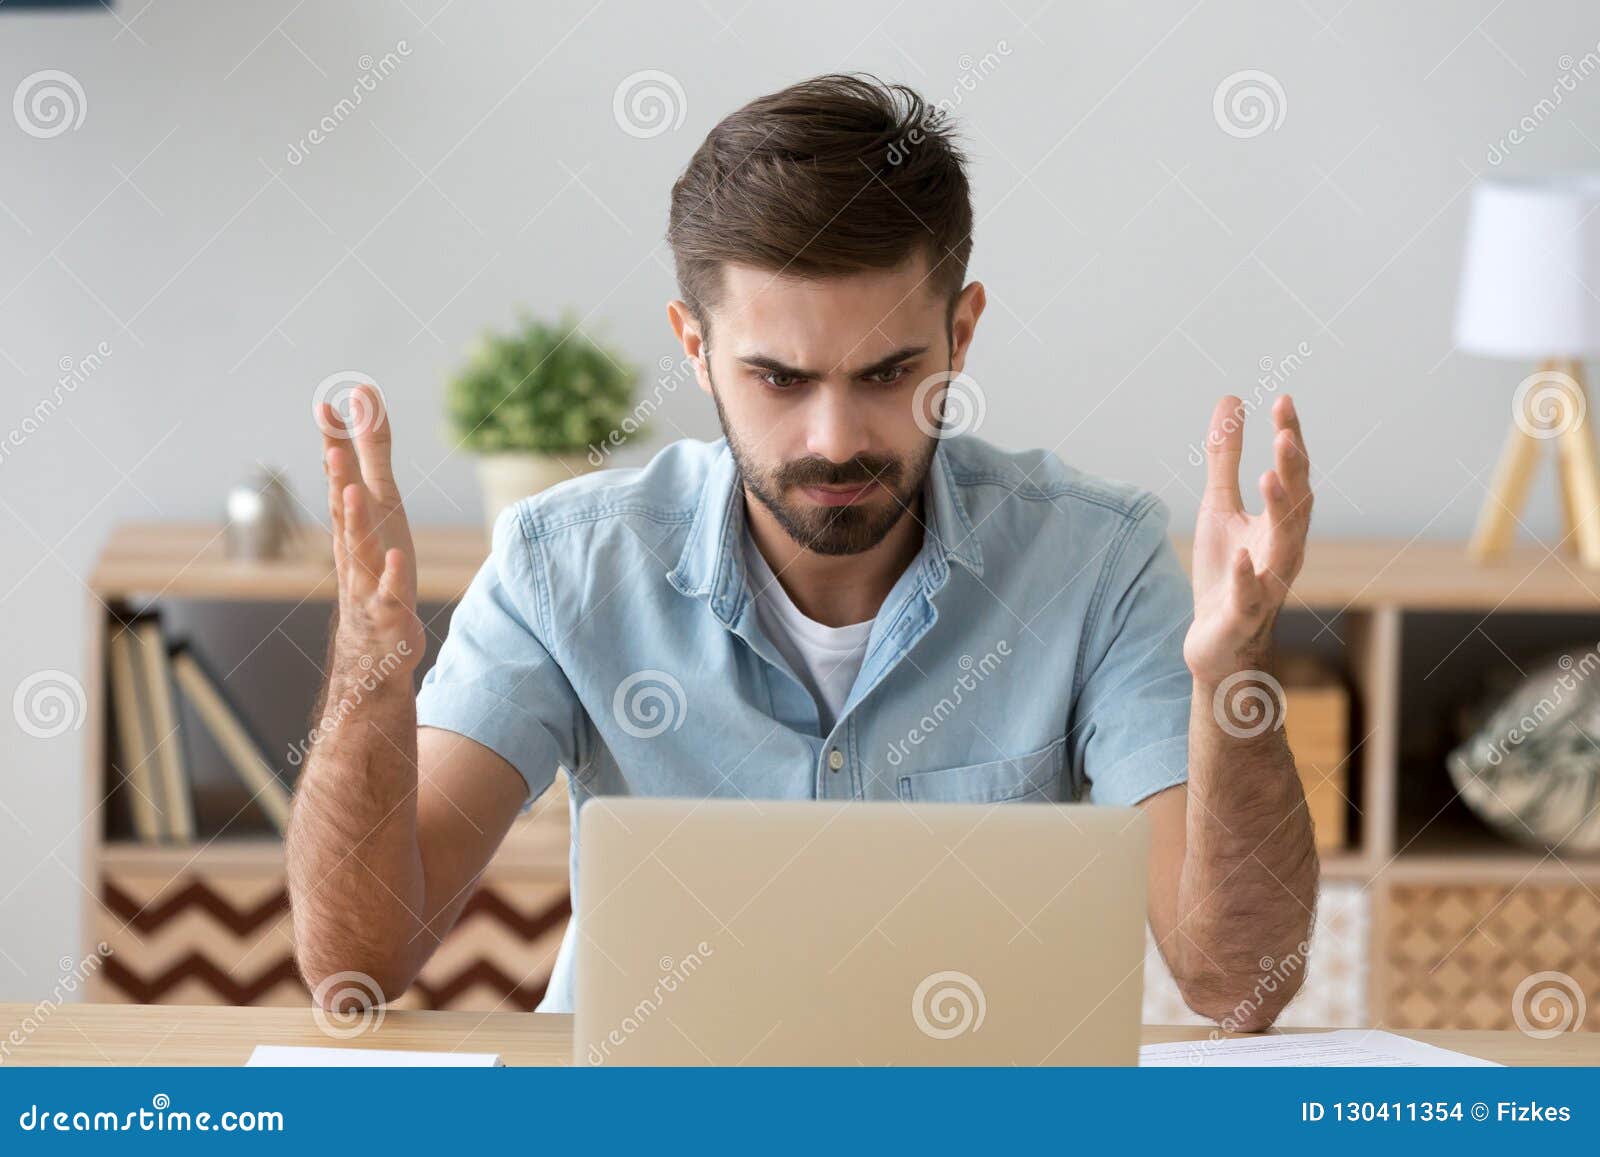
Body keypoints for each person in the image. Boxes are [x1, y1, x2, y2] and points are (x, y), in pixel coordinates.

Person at [286, 73, 1318, 1027]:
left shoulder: (1096, 560)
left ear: (962, 333)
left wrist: (1232, 672)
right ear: (694, 348)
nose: (833, 439)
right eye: (780, 378)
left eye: (886, 373)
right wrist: (368, 667)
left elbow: (1235, 984)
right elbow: (357, 965)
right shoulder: (566, 565)